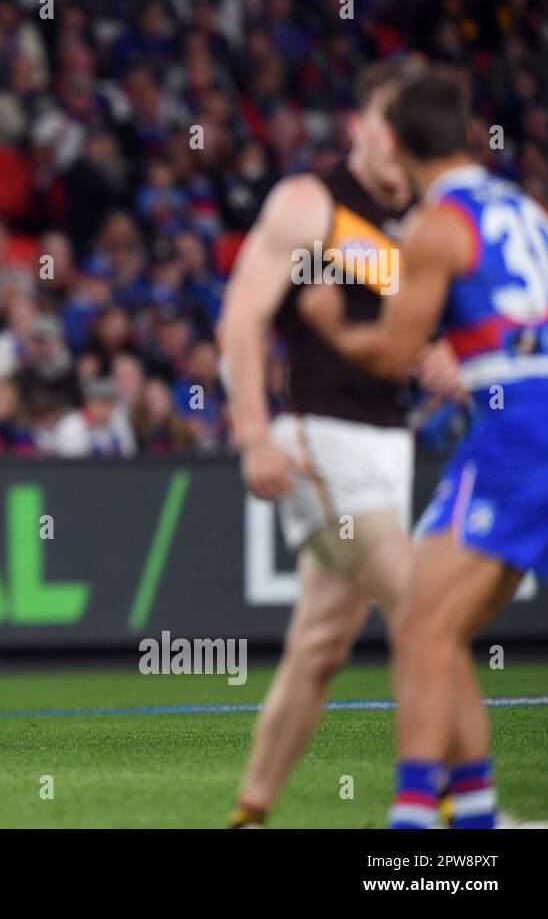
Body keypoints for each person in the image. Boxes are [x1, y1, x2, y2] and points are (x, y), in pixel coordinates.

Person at [216, 58, 469, 825]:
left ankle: (250, 811)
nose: (397, 146)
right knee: (426, 609)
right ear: (362, 127)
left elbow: (455, 331)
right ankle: (471, 811)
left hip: (388, 446)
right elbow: (241, 319)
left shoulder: (431, 223)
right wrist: (254, 434)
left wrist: (453, 357)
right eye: (388, 128)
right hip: (316, 441)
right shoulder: (310, 203)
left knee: (322, 646)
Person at [300, 65, 548, 828]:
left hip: (518, 436)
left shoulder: (438, 224)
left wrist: (332, 323)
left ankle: (414, 822)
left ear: (400, 142)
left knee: (418, 624)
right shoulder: (527, 209)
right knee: (442, 628)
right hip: (527, 409)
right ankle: (473, 816)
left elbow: (393, 351)